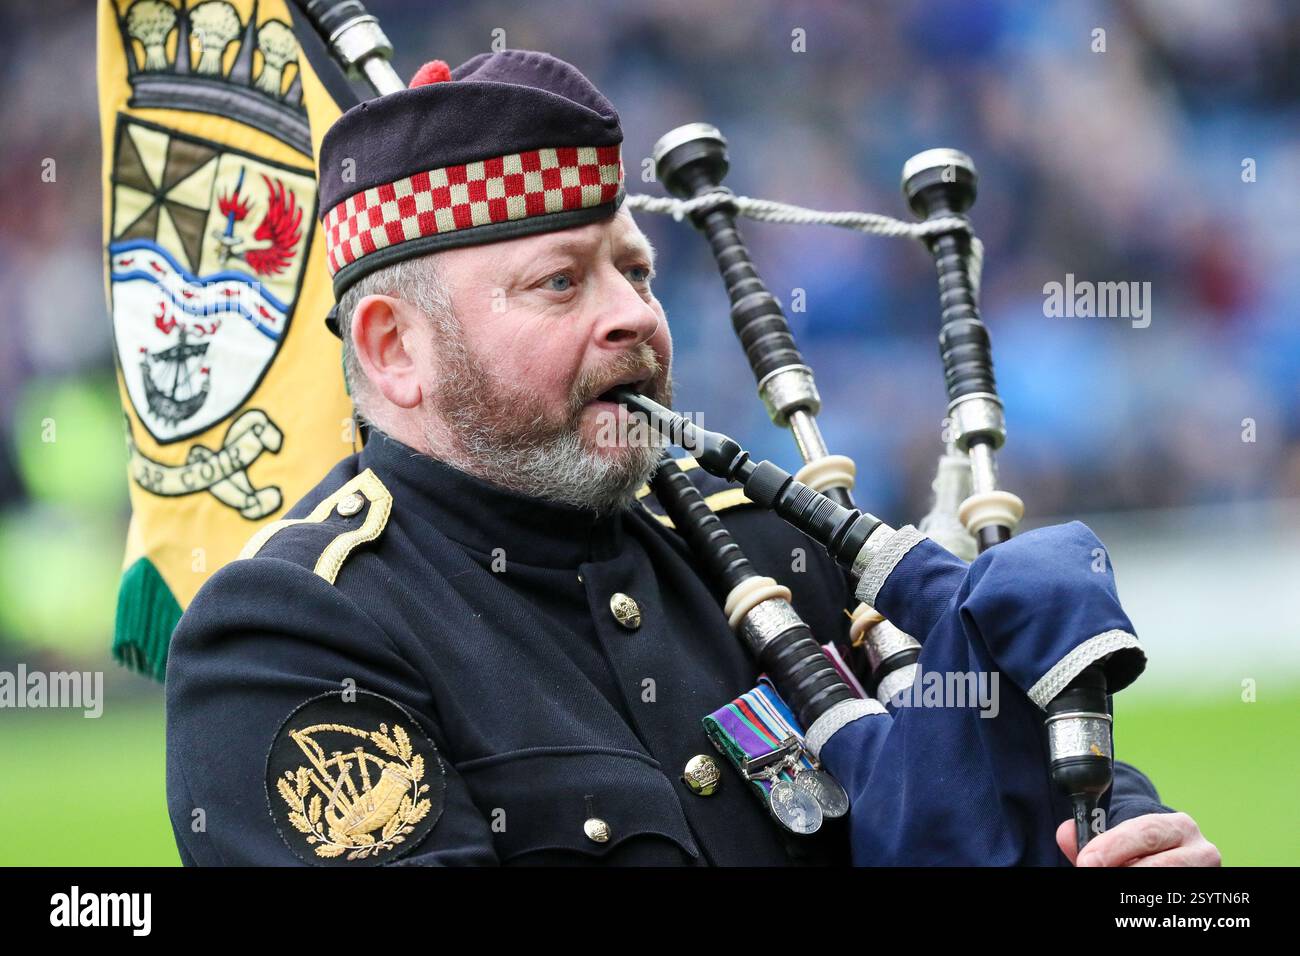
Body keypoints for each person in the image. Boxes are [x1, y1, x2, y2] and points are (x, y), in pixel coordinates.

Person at [164, 49, 1218, 867]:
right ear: (396, 349)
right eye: (560, 282)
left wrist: (1131, 844)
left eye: (635, 270)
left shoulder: (777, 551)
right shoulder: (297, 637)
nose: (635, 317)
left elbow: (1009, 777)